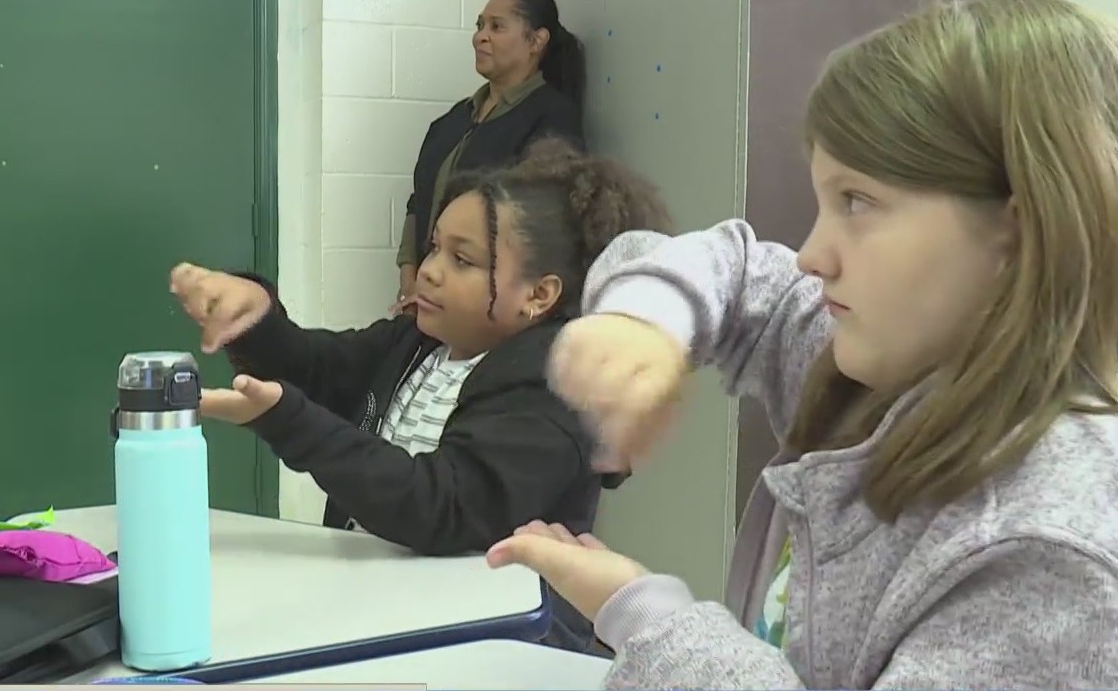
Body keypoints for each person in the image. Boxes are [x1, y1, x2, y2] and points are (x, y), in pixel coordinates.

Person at [486, 0, 1118, 688]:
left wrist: (641, 613)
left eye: (856, 201)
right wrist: (646, 319)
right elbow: (740, 270)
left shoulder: (1045, 553)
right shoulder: (888, 357)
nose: (813, 254)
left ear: (1014, 232)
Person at [168, 138, 673, 653]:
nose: (430, 269)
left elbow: (440, 505)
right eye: (434, 247)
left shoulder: (555, 390)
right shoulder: (418, 341)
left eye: (462, 260)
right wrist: (256, 318)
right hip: (391, 612)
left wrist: (289, 421)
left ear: (538, 295)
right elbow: (320, 369)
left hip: (501, 649)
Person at [393, 0, 587, 315]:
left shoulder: (552, 119)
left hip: (488, 313)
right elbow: (419, 203)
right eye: (479, 25)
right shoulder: (451, 121)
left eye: (496, 27)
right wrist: (410, 276)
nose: (480, 37)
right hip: (428, 304)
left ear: (536, 41)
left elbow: (541, 226)